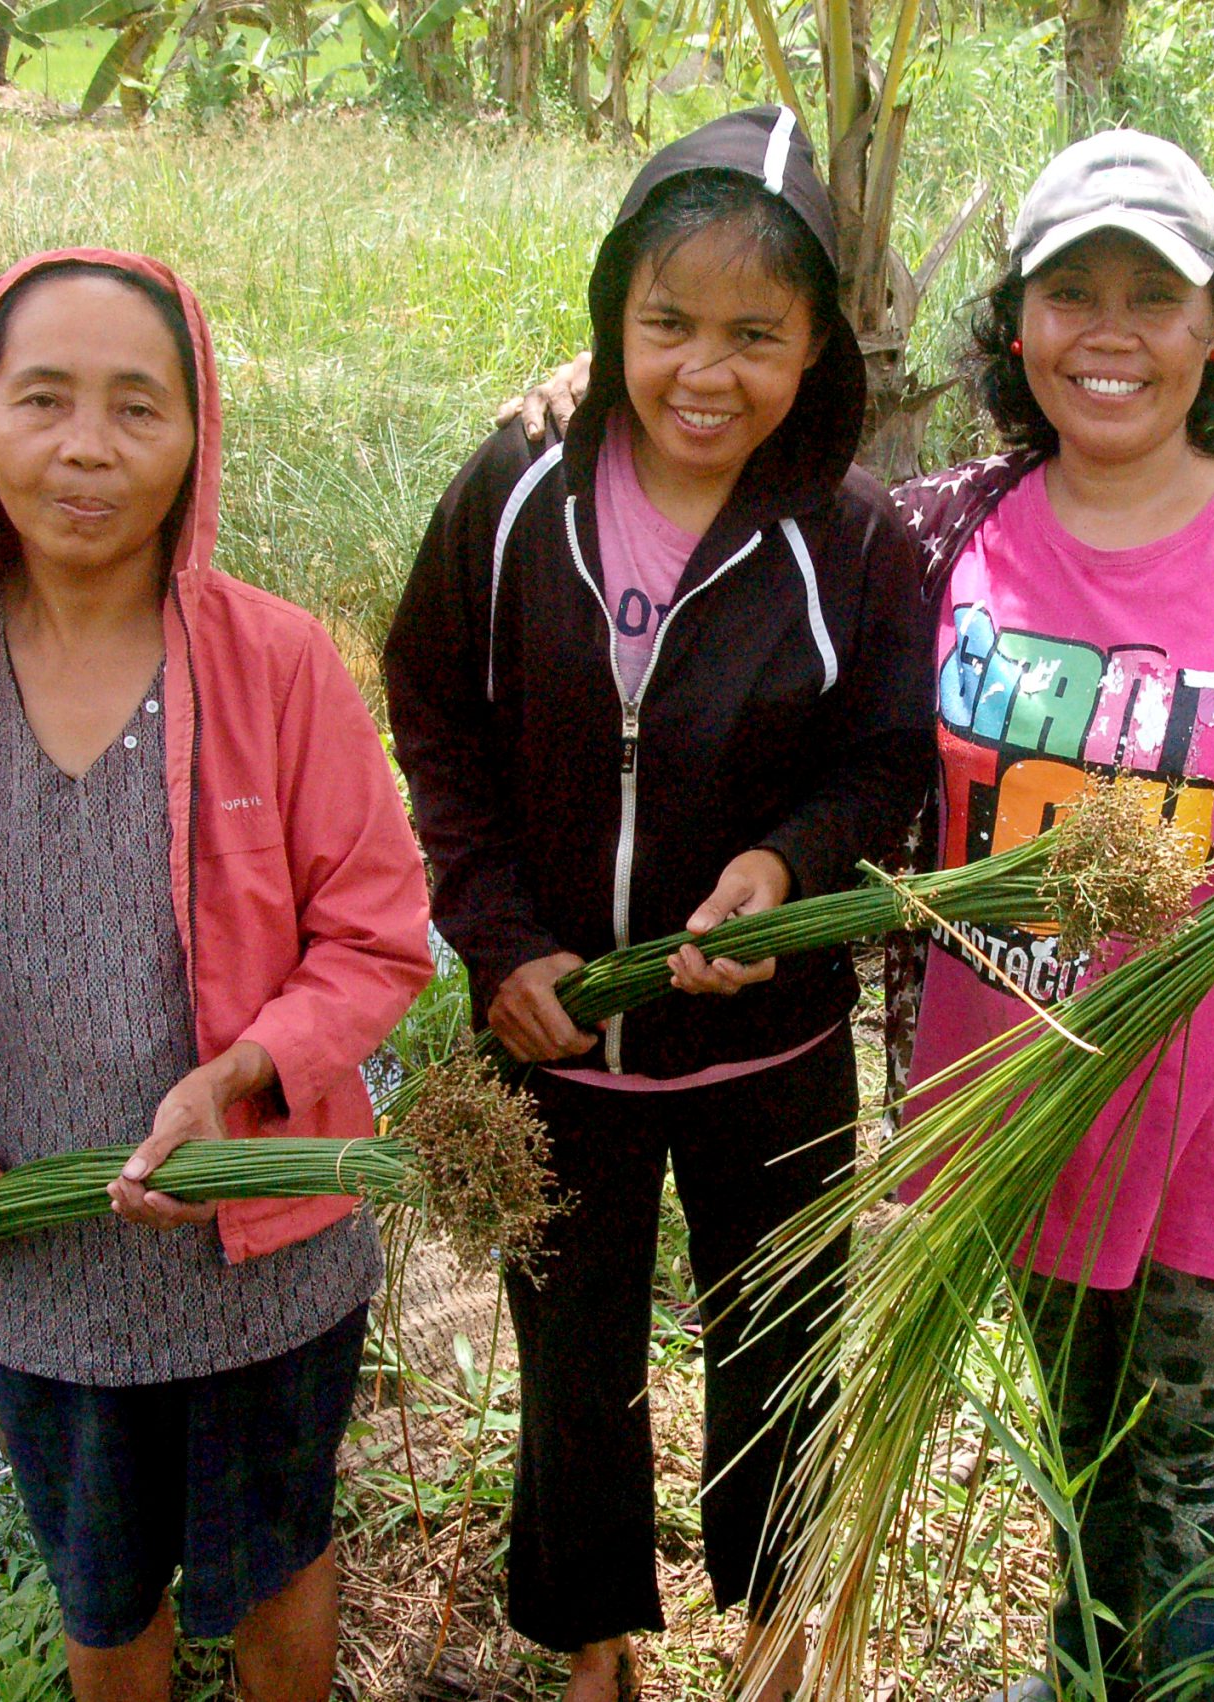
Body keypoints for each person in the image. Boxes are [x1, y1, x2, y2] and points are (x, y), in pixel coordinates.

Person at [506, 129, 1214, 1702]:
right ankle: (1081, 1676)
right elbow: (761, 505)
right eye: (1072, 294)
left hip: (1204, 1101)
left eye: (1155, 297)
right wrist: (589, 391)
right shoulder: (936, 530)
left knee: (1194, 1454)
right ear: (1016, 327)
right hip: (1007, 1087)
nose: (1111, 335)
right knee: (1080, 1438)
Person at [0, 249, 434, 1702]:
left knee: (276, 1564)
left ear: (195, 436)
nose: (87, 447)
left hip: (264, 1253)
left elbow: (376, 929)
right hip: (36, 1262)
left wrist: (243, 1071)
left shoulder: (277, 666)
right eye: (44, 399)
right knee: (101, 1596)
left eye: (137, 406)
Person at [384, 107, 934, 1702]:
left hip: (770, 1049)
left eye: (757, 335)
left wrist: (789, 869)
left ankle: (779, 1637)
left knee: (782, 1343)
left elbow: (884, 757)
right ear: (612, 314)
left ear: (819, 345)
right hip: (552, 1039)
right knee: (572, 1367)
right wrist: (496, 937)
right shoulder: (516, 491)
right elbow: (434, 709)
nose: (707, 371)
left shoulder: (852, 539)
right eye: (669, 322)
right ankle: (597, 1647)